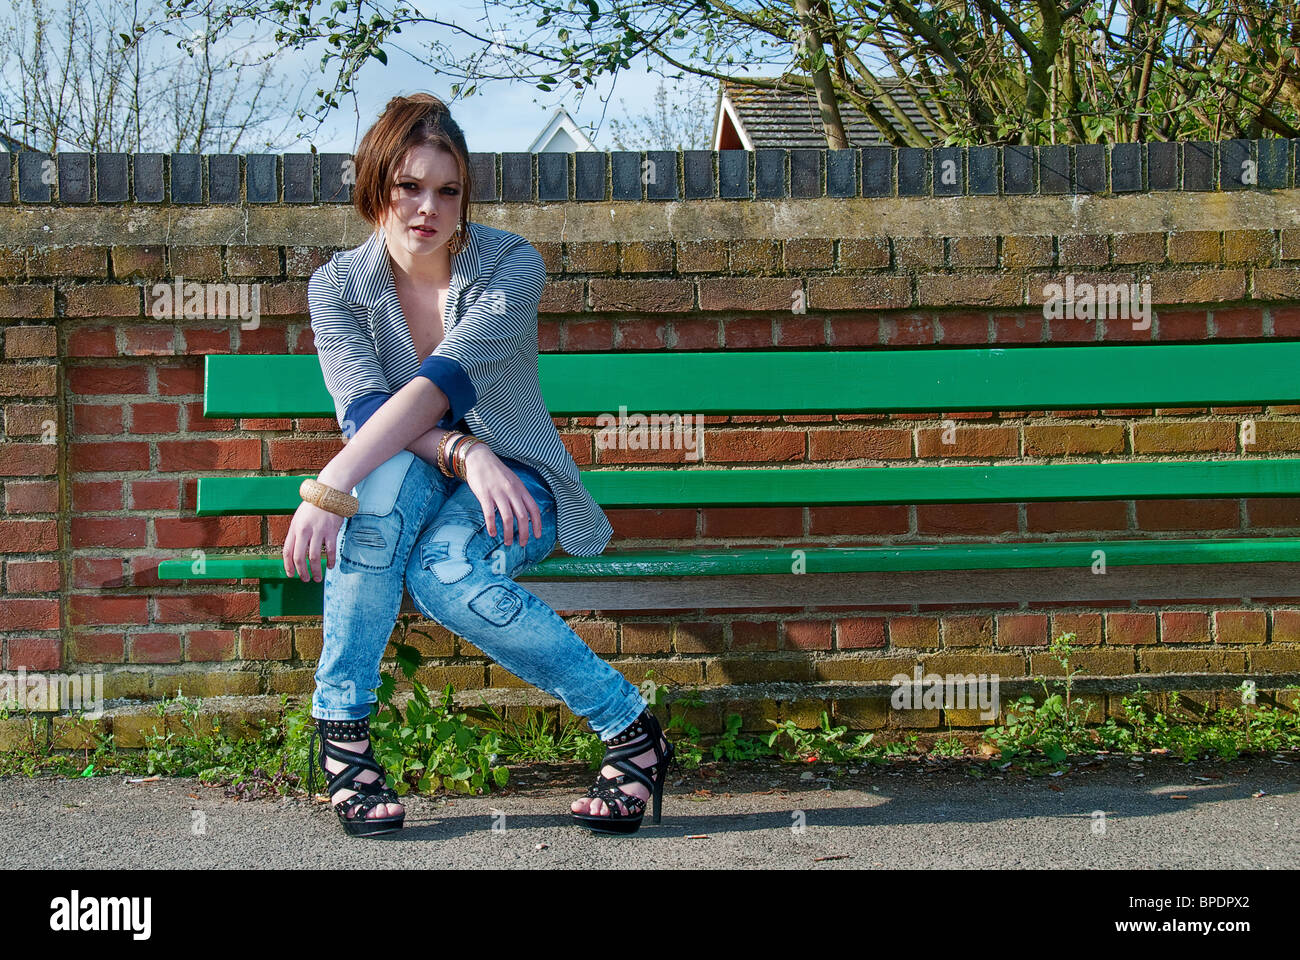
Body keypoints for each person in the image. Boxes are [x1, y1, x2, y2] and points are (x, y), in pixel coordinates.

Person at [286, 92, 674, 837]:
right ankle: (342, 736)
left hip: (522, 480)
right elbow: (368, 414)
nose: (426, 206)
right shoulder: (338, 288)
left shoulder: (509, 265)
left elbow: (442, 386)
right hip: (431, 467)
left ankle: (630, 729)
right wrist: (463, 452)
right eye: (408, 185)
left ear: (466, 197)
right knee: (370, 510)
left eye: (447, 189)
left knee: (444, 572)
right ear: (375, 186)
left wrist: (331, 481)